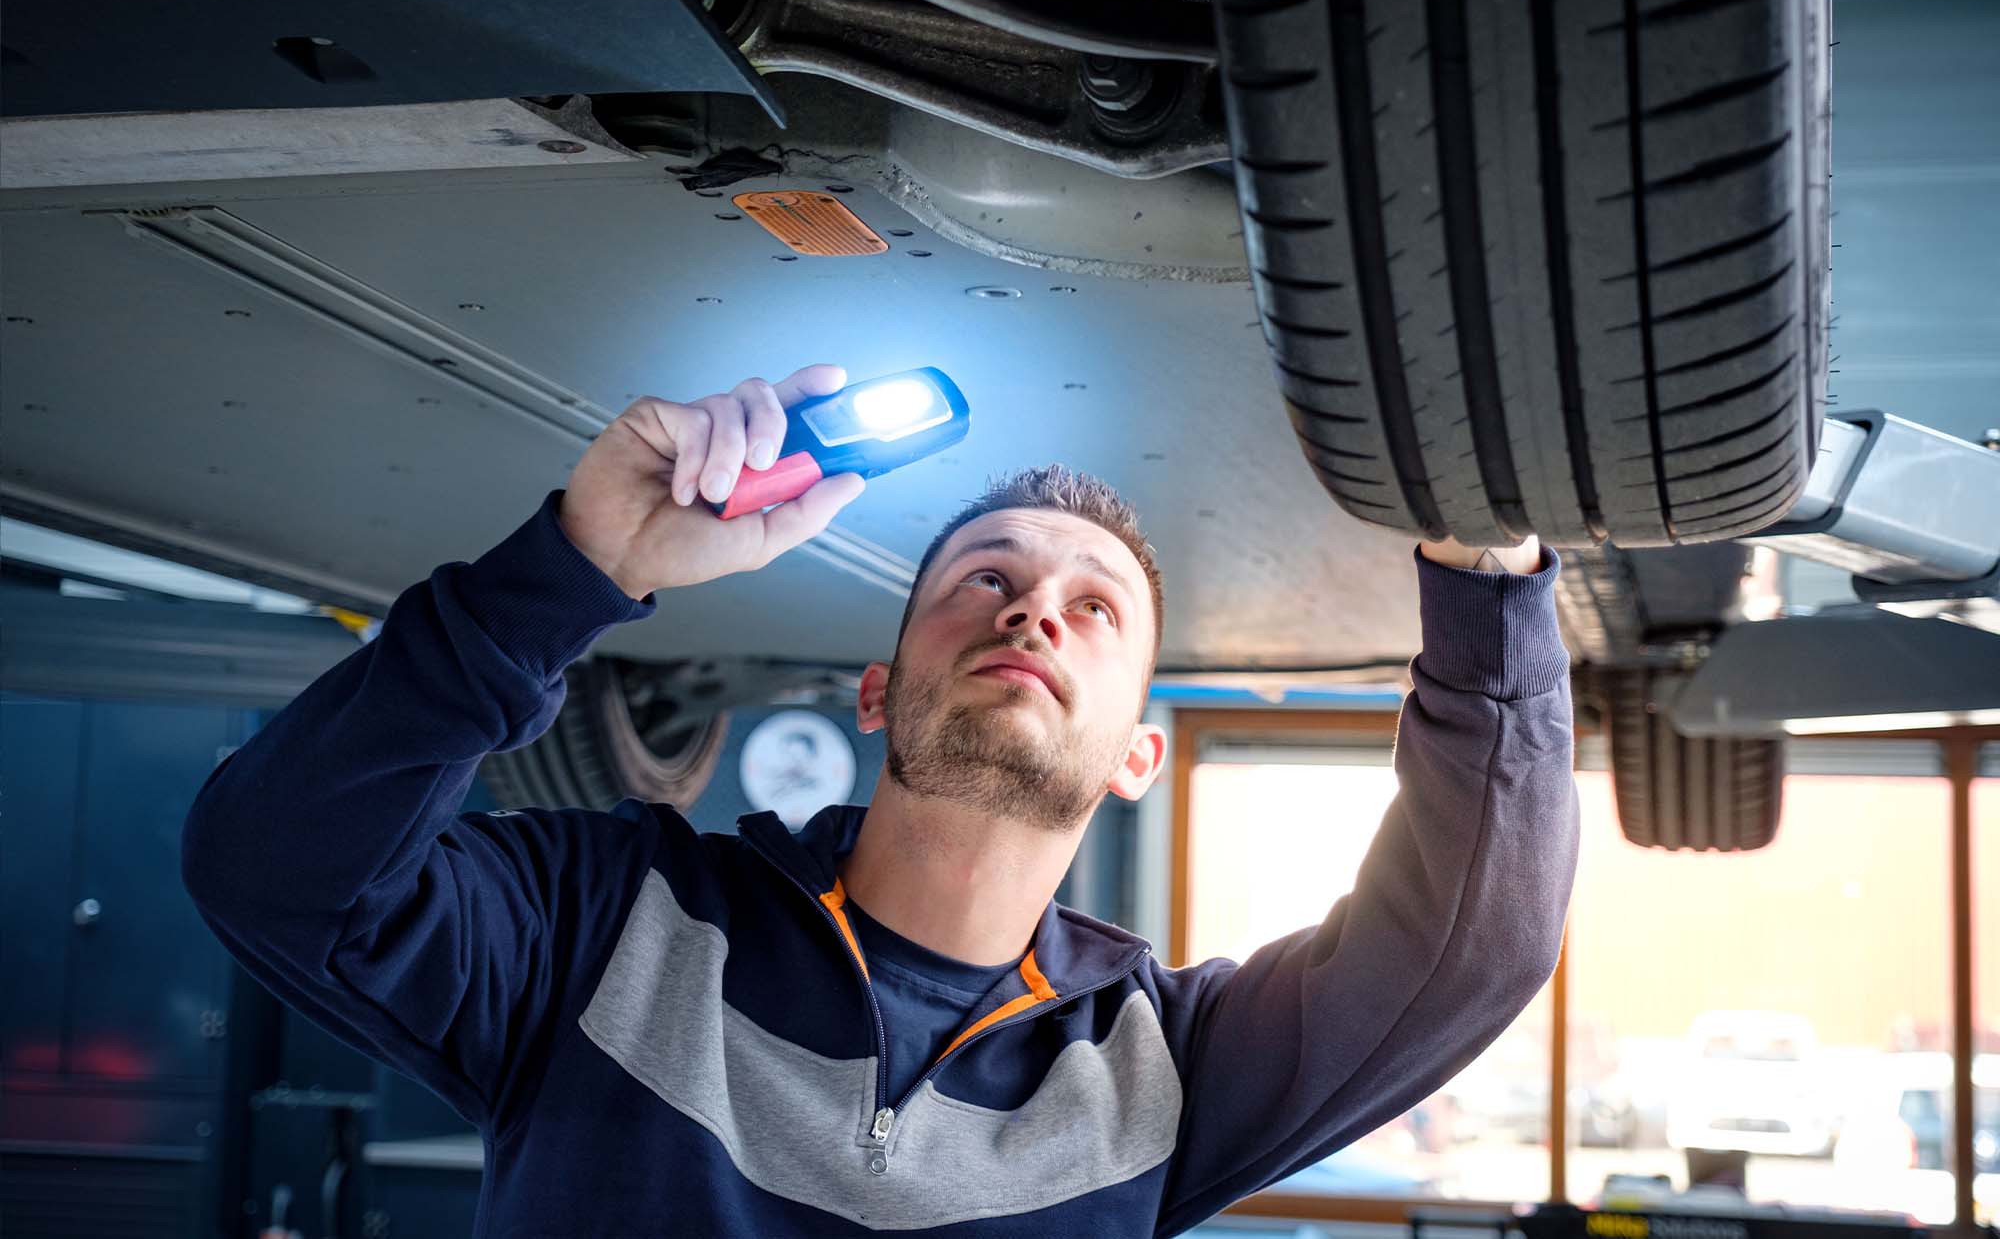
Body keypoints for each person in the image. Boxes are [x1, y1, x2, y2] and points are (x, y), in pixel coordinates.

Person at [183, 363, 1578, 1236]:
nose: (1034, 604)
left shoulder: (1164, 1067)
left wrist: (1484, 552)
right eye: (986, 575)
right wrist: (582, 560)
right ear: (875, 689)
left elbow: (1471, 940)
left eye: (1094, 608)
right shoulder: (611, 921)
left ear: (1139, 754)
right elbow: (271, 865)